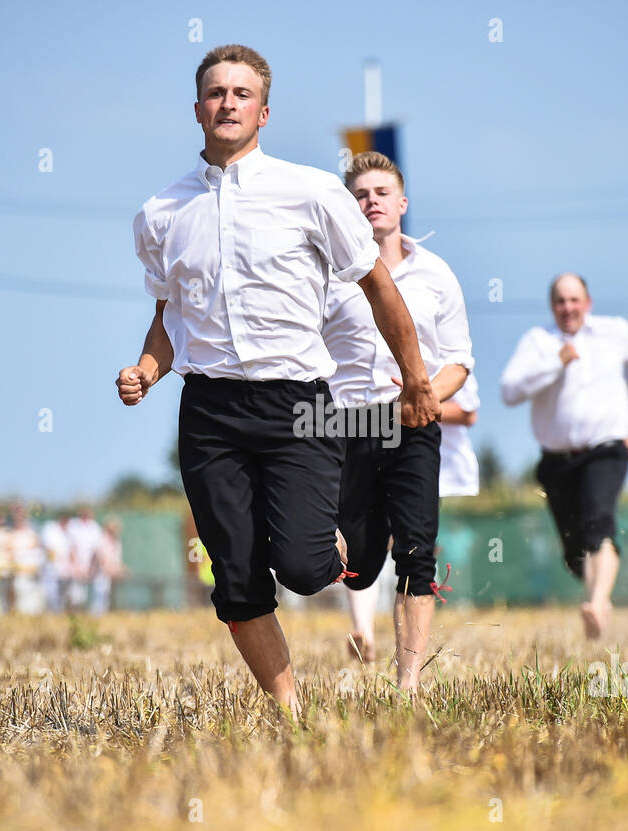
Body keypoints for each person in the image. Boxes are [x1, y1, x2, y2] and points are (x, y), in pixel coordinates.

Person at [119, 44, 438, 715]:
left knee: (300, 564)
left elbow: (379, 286)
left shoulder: (313, 192)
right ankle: (290, 713)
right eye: (215, 93)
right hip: (208, 410)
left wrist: (414, 378)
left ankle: (329, 537)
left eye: (241, 94)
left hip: (296, 404)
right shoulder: (161, 213)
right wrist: (147, 369)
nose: (227, 103)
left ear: (264, 112)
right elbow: (166, 318)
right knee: (235, 576)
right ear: (197, 109)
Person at [321, 151, 474, 688]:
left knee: (416, 551)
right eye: (360, 195)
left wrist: (425, 392)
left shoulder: (436, 274)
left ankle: (408, 682)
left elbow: (459, 359)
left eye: (381, 193)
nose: (371, 203)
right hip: (345, 426)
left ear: (402, 203)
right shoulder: (327, 275)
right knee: (357, 559)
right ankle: (360, 603)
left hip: (411, 425)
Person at [500, 273, 628, 638]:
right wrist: (554, 363)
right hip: (557, 460)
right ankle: (594, 595)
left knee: (598, 520)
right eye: (560, 301)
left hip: (607, 448)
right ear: (552, 306)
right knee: (576, 553)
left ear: (588, 303)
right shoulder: (538, 342)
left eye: (574, 300)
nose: (568, 308)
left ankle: (598, 602)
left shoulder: (617, 332)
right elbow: (509, 391)